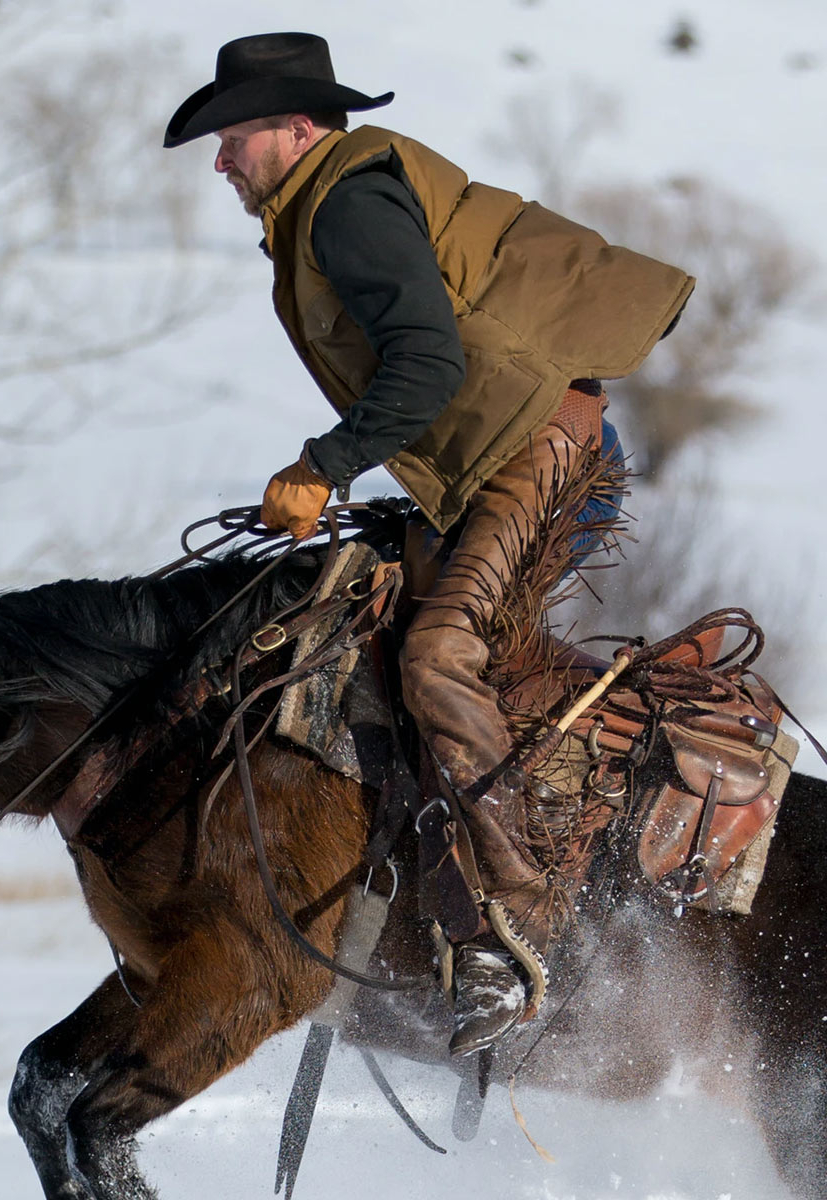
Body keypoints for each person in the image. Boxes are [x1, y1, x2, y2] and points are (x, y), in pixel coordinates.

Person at [163, 32, 693, 1054]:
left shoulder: (349, 203)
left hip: (537, 454)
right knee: (351, 626)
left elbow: (427, 362)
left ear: (298, 128)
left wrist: (325, 463)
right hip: (495, 460)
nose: (222, 161)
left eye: (234, 138)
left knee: (440, 656)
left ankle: (519, 927)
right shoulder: (326, 203)